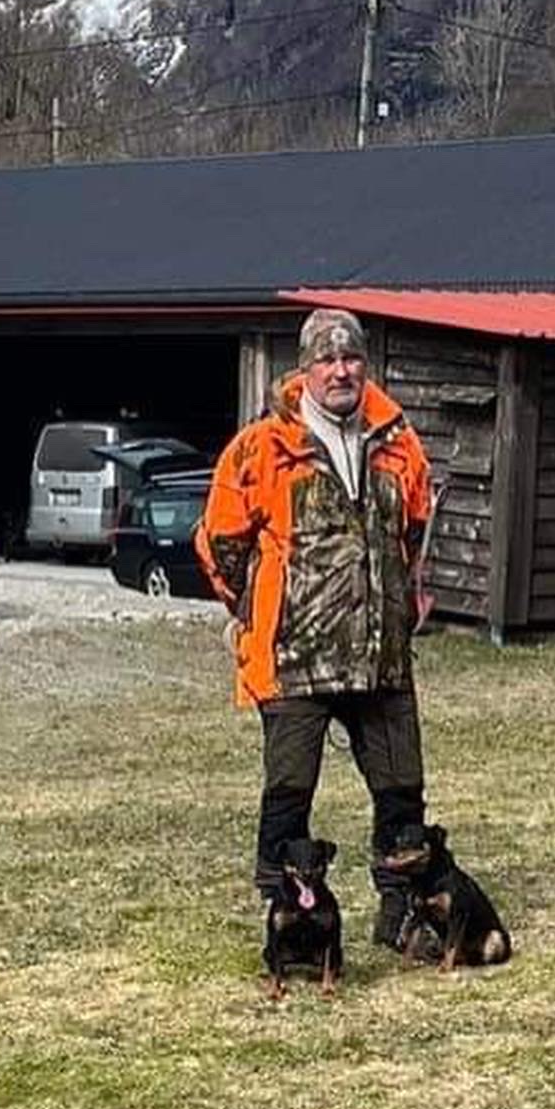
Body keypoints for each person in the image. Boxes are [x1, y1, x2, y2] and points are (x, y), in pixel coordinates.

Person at [194, 307, 434, 949]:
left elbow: (413, 529)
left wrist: (406, 596)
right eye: (327, 360)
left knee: (401, 788)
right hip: (294, 658)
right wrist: (252, 608)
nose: (341, 371)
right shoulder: (261, 447)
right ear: (303, 370)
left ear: (365, 364)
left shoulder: (397, 439)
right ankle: (287, 925)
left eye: (351, 358)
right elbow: (220, 543)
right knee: (289, 791)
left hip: (381, 656)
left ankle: (403, 914)